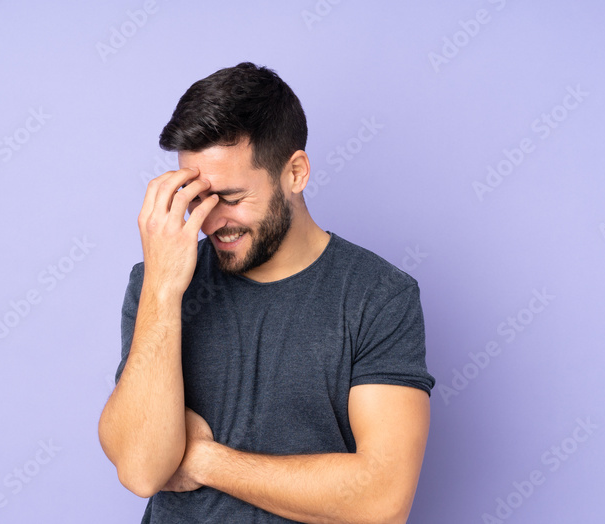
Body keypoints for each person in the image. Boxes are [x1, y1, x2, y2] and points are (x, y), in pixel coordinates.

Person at [98, 62, 435, 523]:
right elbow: (141, 469)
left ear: (295, 173)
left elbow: (382, 500)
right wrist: (162, 288)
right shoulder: (159, 282)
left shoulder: (378, 296)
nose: (212, 222)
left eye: (232, 199)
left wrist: (203, 459)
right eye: (197, 200)